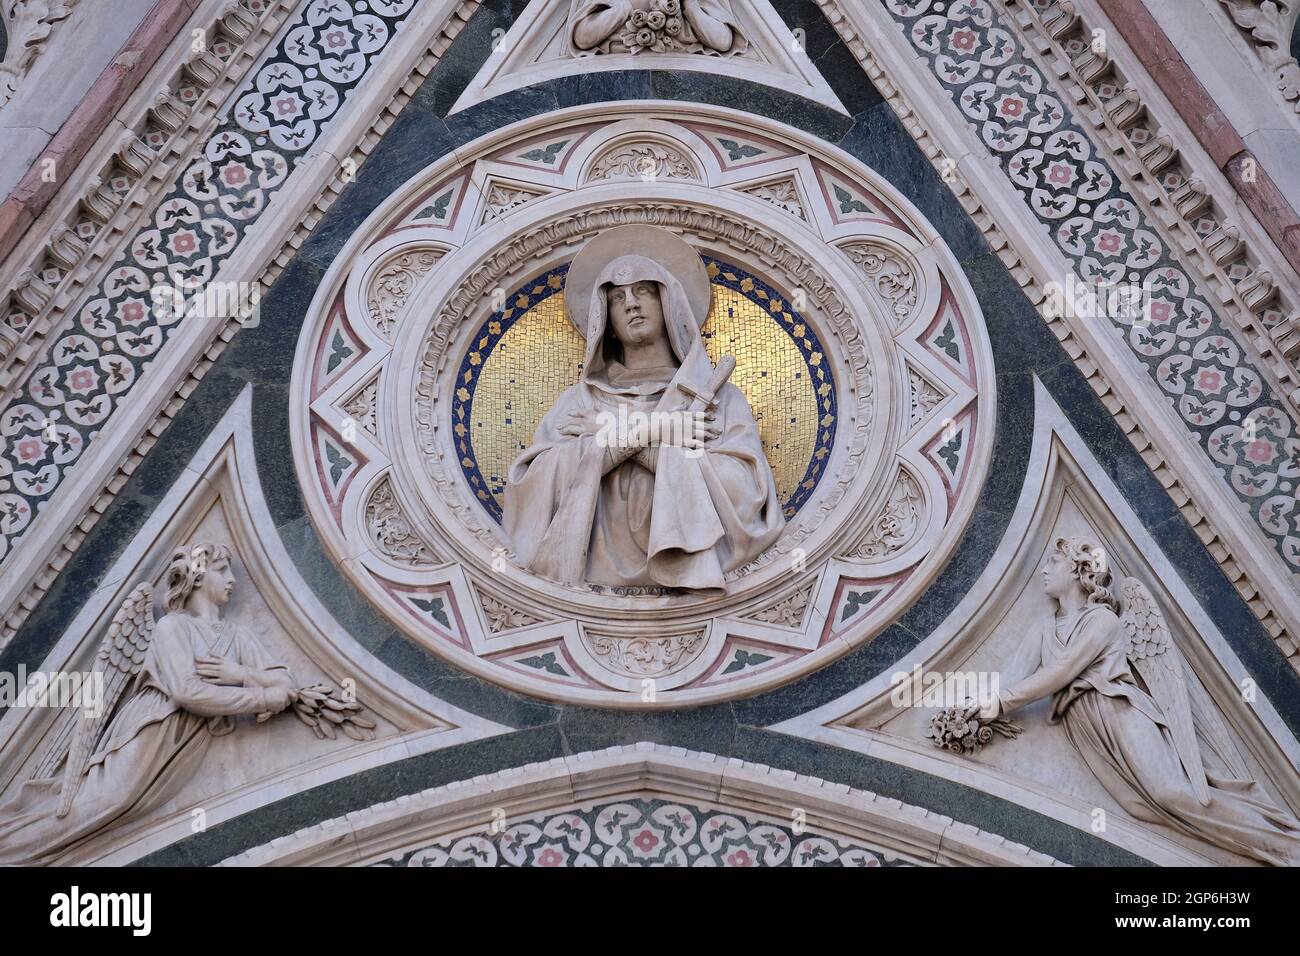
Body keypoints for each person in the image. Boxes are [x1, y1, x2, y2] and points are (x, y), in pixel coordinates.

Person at [988, 536, 1300, 865]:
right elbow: (1012, 677)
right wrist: (971, 707)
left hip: (1119, 711)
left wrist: (997, 704)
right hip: (1087, 729)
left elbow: (1061, 672)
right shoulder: (1043, 627)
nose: (1044, 571)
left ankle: (1284, 846)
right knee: (1141, 806)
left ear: (1080, 570)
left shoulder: (1102, 620)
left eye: (1053, 562)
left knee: (1173, 793)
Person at [504, 227, 783, 593]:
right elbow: (536, 486)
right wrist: (661, 431)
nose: (631, 304)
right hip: (589, 579)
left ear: (669, 304)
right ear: (608, 324)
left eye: (643, 292)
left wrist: (611, 433)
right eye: (617, 299)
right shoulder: (580, 400)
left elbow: (743, 492)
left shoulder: (720, 398)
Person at [0, 543, 294, 864]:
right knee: (95, 804)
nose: (232, 580)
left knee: (114, 807)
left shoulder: (240, 637)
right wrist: (262, 696)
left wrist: (238, 672)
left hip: (183, 746)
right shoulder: (173, 627)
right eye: (222, 571)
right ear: (196, 577)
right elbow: (187, 692)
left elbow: (286, 684)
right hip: (151, 731)